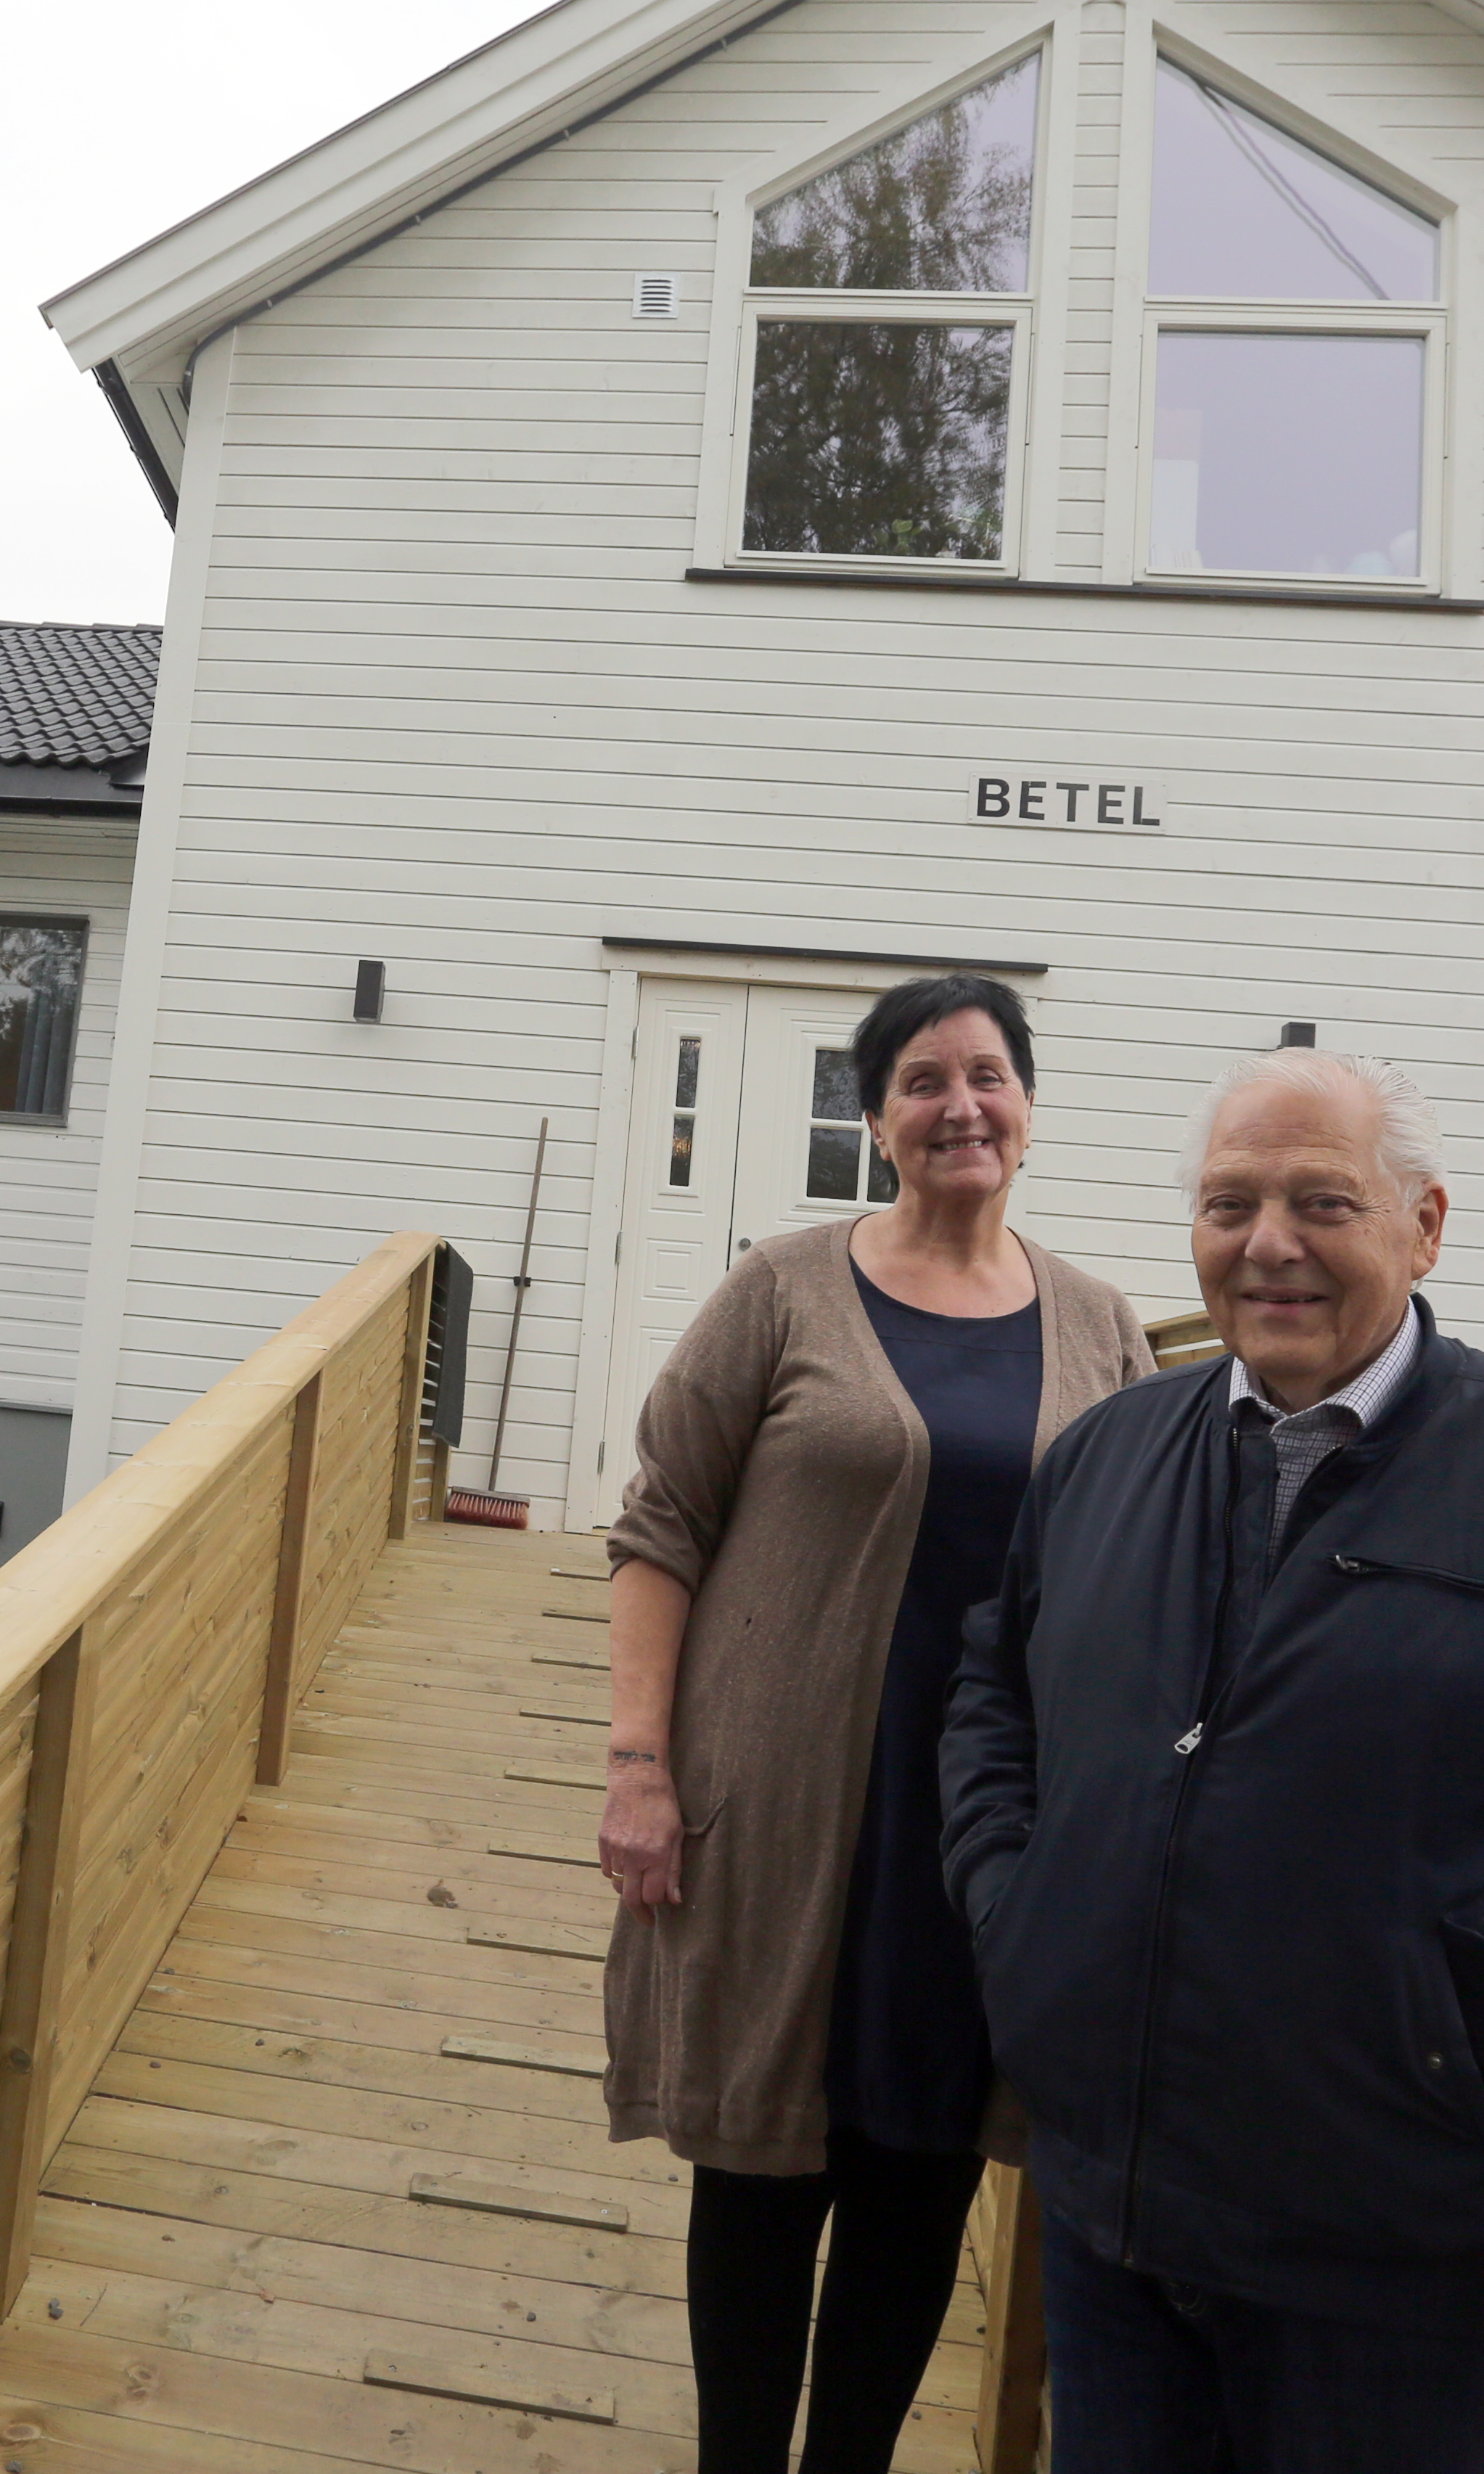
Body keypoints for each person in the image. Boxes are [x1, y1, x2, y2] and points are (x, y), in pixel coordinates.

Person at [940, 1046, 1484, 2473]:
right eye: (1228, 1204)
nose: (1267, 1245)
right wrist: (1013, 1909)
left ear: (1424, 1225)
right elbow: (996, 1696)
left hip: (1405, 2281)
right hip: (1114, 2234)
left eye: (1322, 1203)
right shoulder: (1104, 1457)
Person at [597, 972, 1154, 2474]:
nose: (958, 1104)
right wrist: (638, 1767)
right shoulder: (781, 1289)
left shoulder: (1104, 1331)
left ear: (1026, 1109)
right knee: (766, 2170)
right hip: (781, 1809)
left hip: (976, 1832)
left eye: (986, 1074)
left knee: (920, 2173)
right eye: (921, 1081)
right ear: (877, 1121)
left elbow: (1142, 1575)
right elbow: (658, 1531)